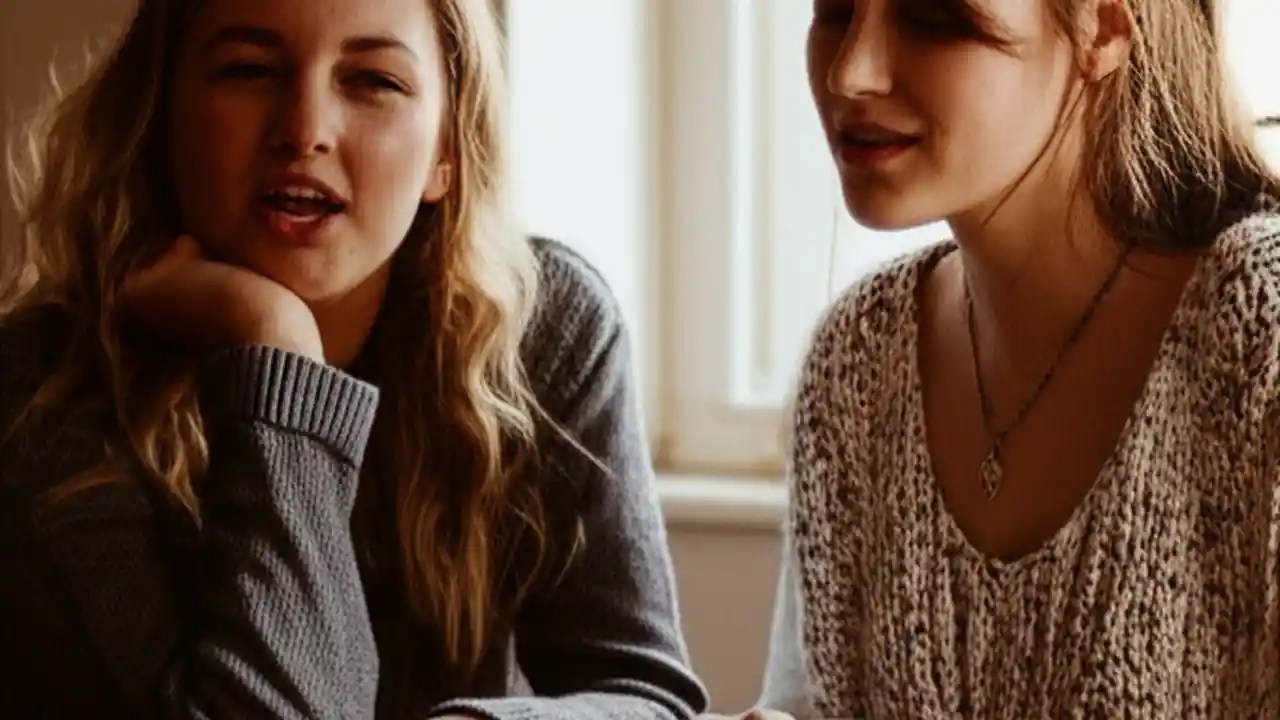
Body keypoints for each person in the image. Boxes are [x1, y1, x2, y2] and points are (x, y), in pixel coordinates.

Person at [0, 0, 709, 718]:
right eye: (247, 70)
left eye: (374, 81)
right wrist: (276, 348)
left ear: (447, 149)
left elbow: (643, 697)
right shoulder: (41, 390)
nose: (304, 131)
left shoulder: (543, 331)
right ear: (160, 117)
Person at [726, 0, 1279, 718]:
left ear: (1105, 27)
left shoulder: (1260, 323)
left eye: (932, 17)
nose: (849, 72)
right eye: (833, 9)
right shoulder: (858, 359)